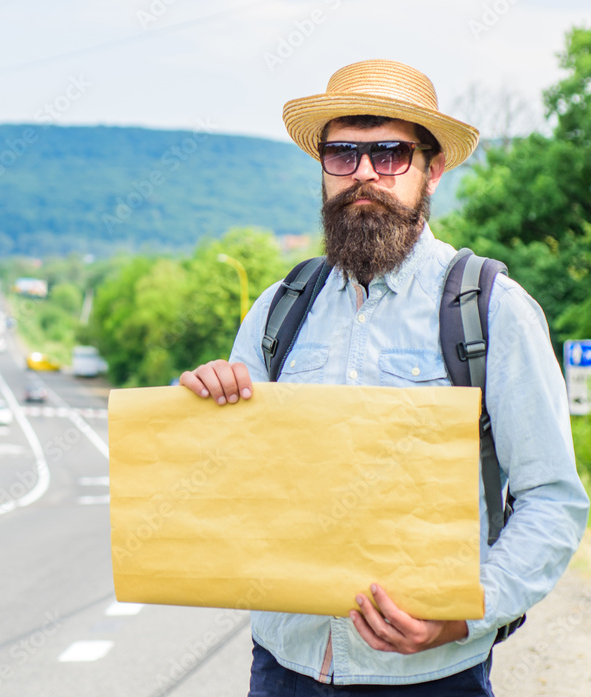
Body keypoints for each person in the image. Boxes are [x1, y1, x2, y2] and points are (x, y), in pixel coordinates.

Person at [180, 59, 590, 695]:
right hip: (283, 666)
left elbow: (551, 499)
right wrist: (213, 406)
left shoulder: (491, 309)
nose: (364, 173)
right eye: (343, 152)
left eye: (391, 153)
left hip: (430, 676)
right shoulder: (279, 308)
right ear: (323, 167)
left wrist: (463, 615)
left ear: (434, 169)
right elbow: (240, 486)